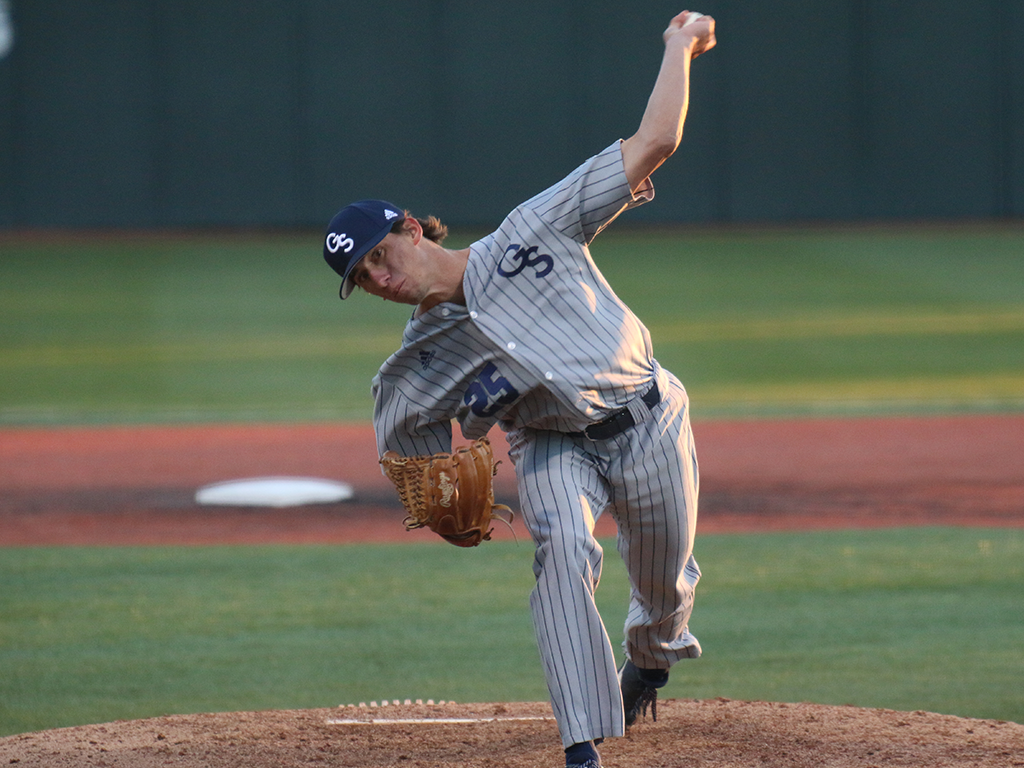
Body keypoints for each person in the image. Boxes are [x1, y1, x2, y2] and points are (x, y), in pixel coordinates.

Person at [322, 11, 715, 768]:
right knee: (561, 548)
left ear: (411, 229)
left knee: (664, 589)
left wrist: (679, 43)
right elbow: (409, 455)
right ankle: (581, 747)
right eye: (361, 279)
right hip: (550, 447)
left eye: (377, 256)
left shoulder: (531, 230)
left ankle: (654, 656)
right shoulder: (418, 363)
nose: (377, 279)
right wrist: (442, 512)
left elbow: (656, 141)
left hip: (650, 419)